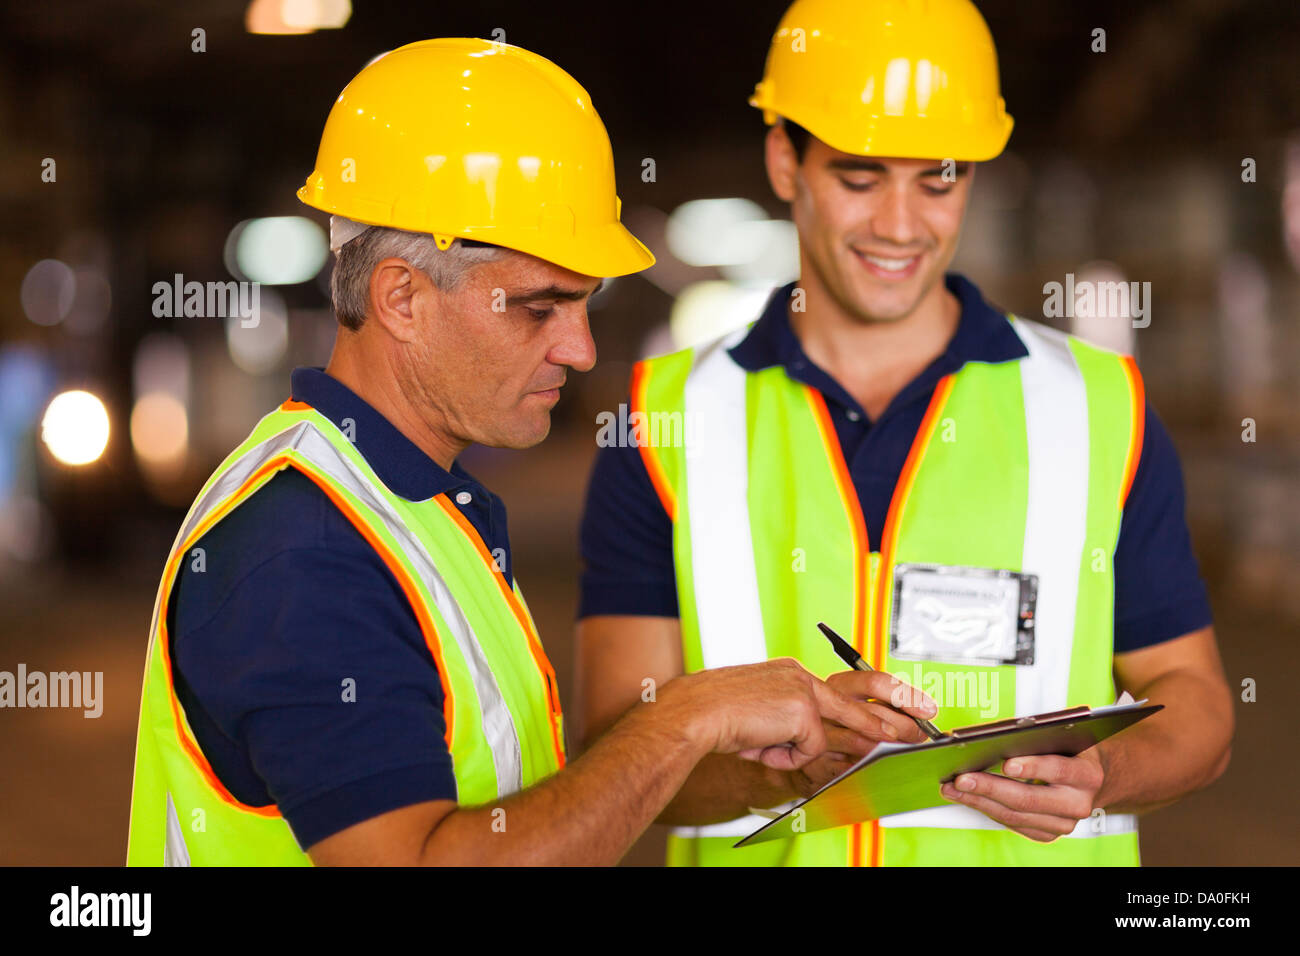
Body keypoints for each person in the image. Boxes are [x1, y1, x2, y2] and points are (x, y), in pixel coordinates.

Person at [125, 37, 933, 867]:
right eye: (539, 308)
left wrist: (789, 761)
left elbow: (520, 813)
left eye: (584, 305)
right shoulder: (304, 553)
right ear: (401, 296)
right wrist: (685, 718)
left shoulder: (412, 506)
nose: (580, 351)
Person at [576, 0, 1234, 866]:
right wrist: (793, 769)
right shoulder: (664, 418)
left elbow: (1195, 702)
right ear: (785, 159)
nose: (900, 223)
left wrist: (1104, 775)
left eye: (940, 178)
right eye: (860, 175)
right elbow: (618, 747)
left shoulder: (1097, 405)